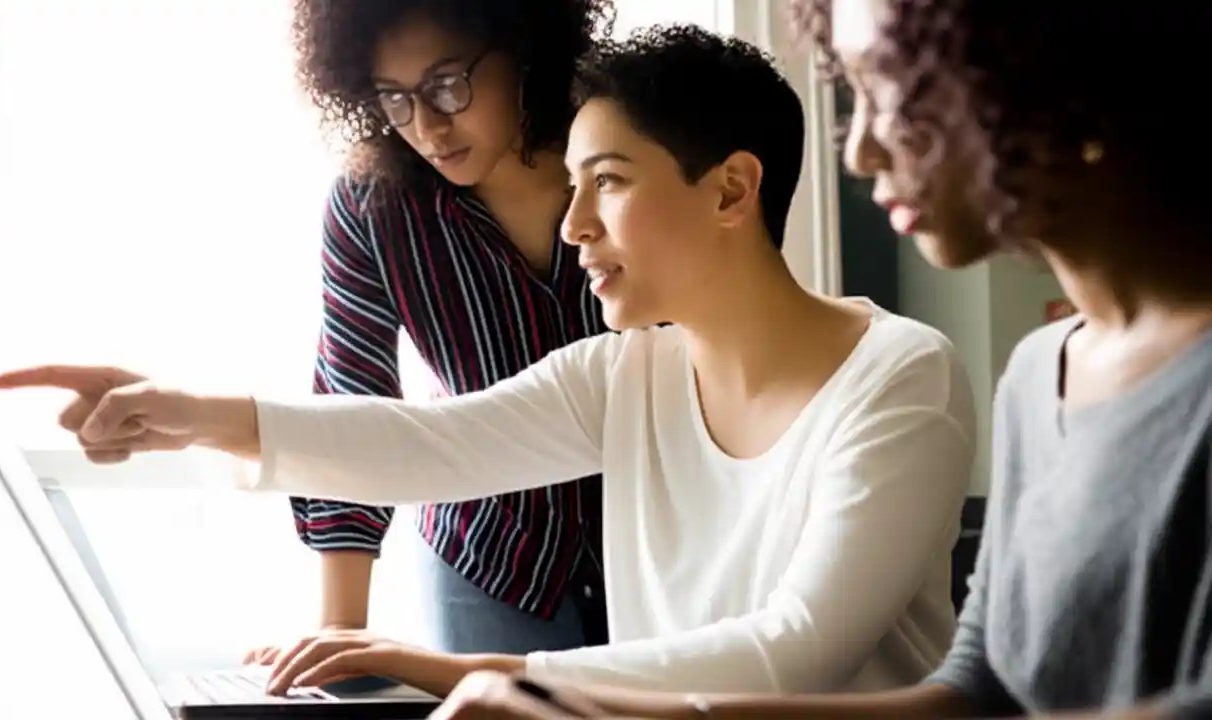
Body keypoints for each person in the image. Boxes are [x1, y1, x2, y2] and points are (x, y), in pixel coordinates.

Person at [0, 25, 975, 700]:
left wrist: (450, 669)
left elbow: (791, 656)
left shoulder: (899, 377)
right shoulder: (623, 372)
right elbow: (426, 443)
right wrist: (180, 411)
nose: (576, 223)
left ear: (729, 193)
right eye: (574, 184)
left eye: (608, 184)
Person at [419, 0, 1212, 718]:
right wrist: (575, 704)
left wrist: (569, 696)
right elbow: (973, 697)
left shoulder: (929, 372)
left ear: (1035, 76)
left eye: (893, 91)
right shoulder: (1040, 376)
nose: (861, 151)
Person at [245, 0, 617, 666]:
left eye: (448, 85)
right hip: (489, 556)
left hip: (661, 533)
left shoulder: (625, 162)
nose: (427, 126)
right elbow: (349, 401)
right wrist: (341, 627)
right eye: (395, 99)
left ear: (524, 48)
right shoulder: (371, 208)